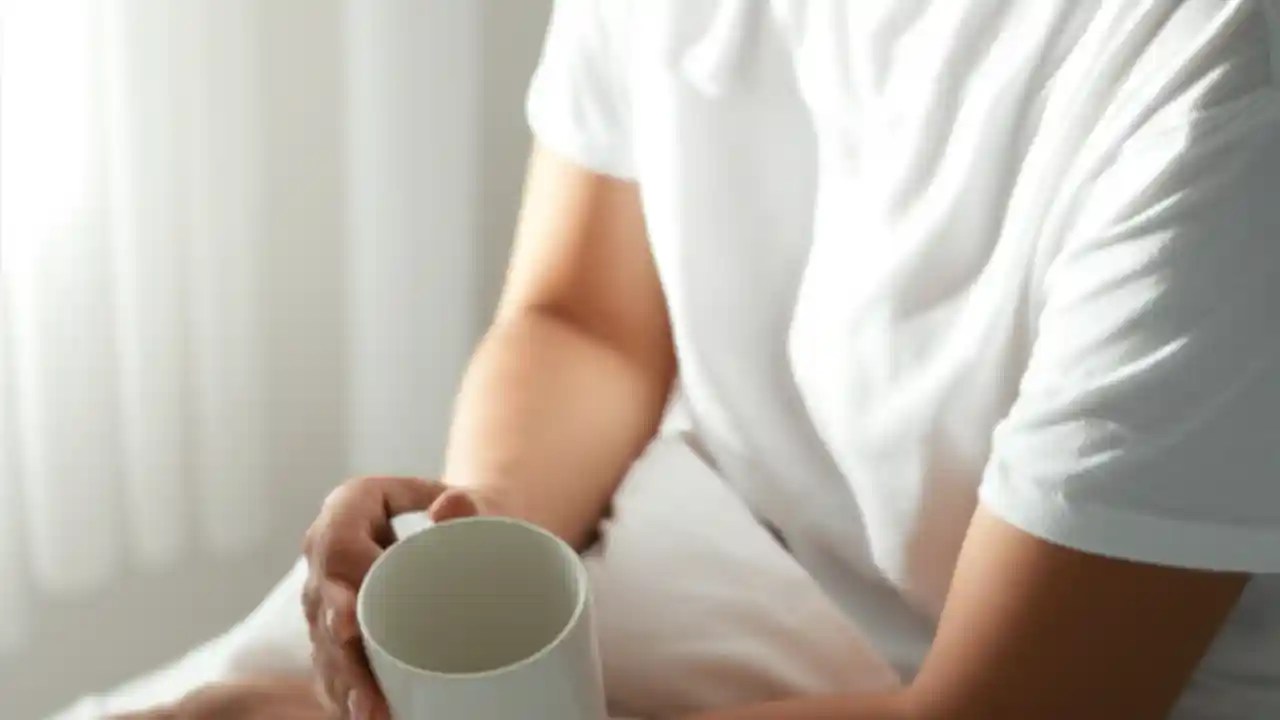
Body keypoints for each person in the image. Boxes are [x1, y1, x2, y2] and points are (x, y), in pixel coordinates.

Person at [142, 1, 1280, 718]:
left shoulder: (1218, 90)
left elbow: (1006, 707)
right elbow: (584, 319)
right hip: (733, 550)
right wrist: (479, 541)